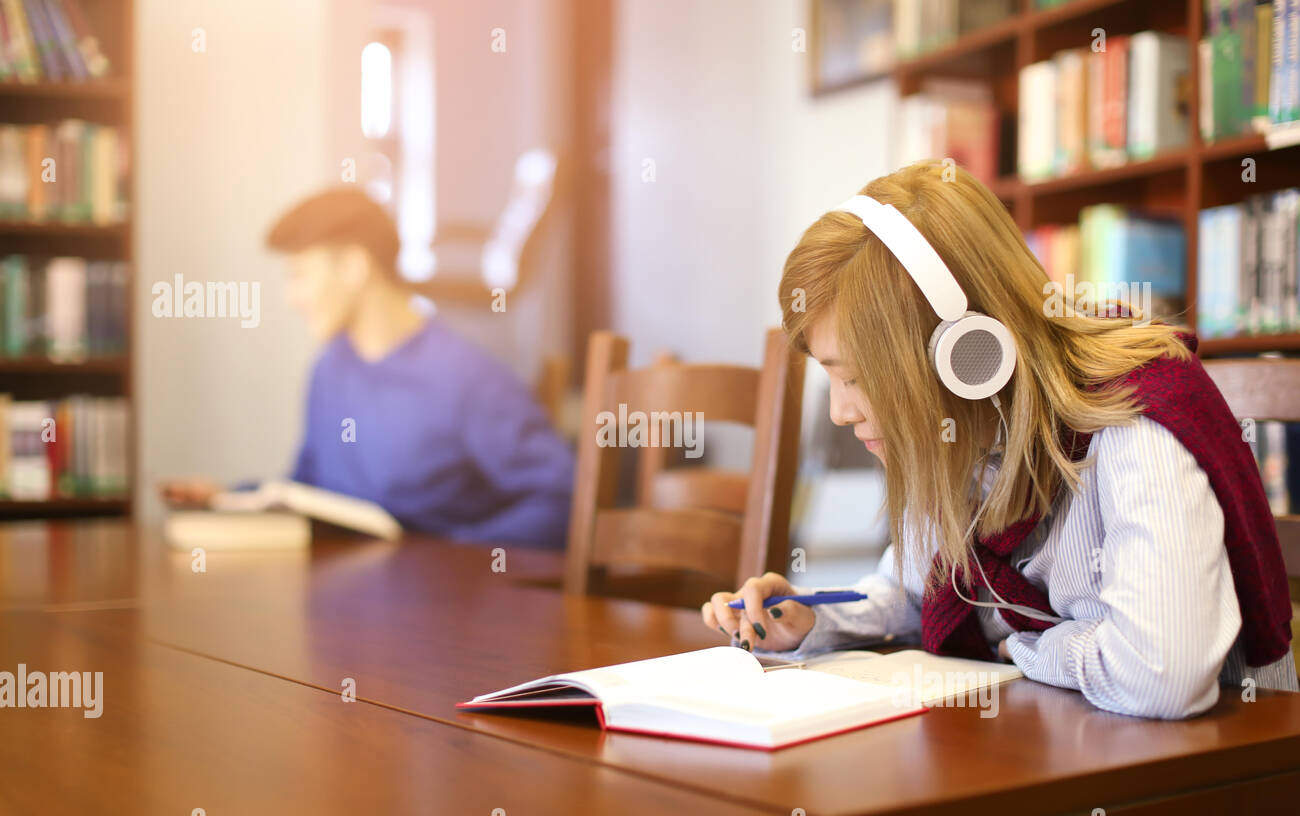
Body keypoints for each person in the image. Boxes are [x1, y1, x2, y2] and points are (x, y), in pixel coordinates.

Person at [702, 161, 1298, 719]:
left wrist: (1030, 647)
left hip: (1220, 773)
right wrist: (810, 618)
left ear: (967, 353)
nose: (839, 412)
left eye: (857, 378)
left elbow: (1160, 673)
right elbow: (912, 591)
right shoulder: (959, 435)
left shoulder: (1129, 424)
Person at [160, 188, 574, 549]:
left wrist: (454, 557)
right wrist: (231, 498)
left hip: (436, 616)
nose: (291, 298)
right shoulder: (328, 370)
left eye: (300, 275)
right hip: (341, 604)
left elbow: (561, 500)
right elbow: (311, 490)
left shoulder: (469, 378)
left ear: (354, 267)